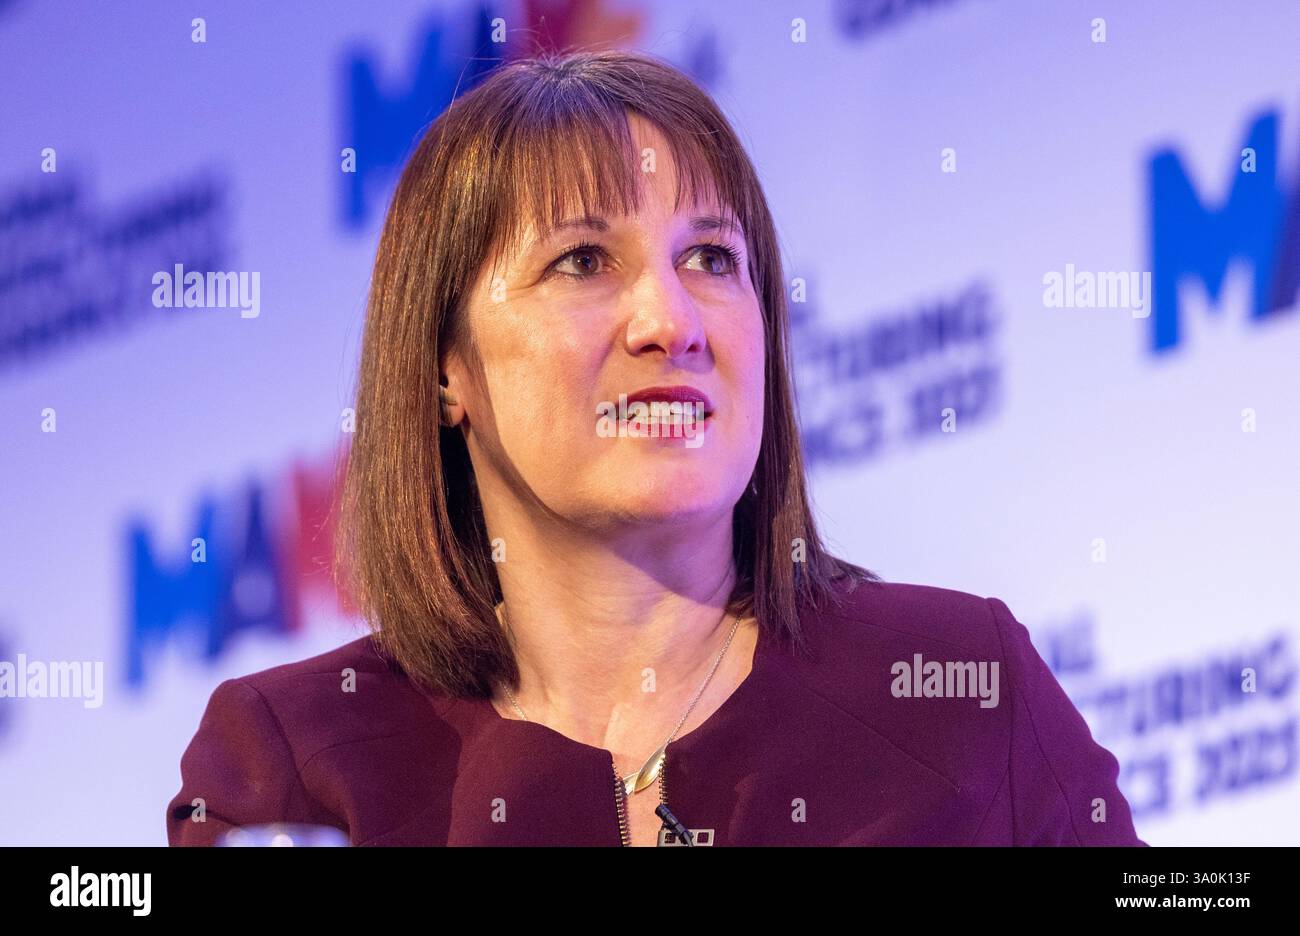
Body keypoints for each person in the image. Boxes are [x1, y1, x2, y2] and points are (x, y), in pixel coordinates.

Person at [167, 49, 1144, 847]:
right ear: (443, 369)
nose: (668, 321)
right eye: (582, 261)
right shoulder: (299, 759)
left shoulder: (961, 685)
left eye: (711, 258)